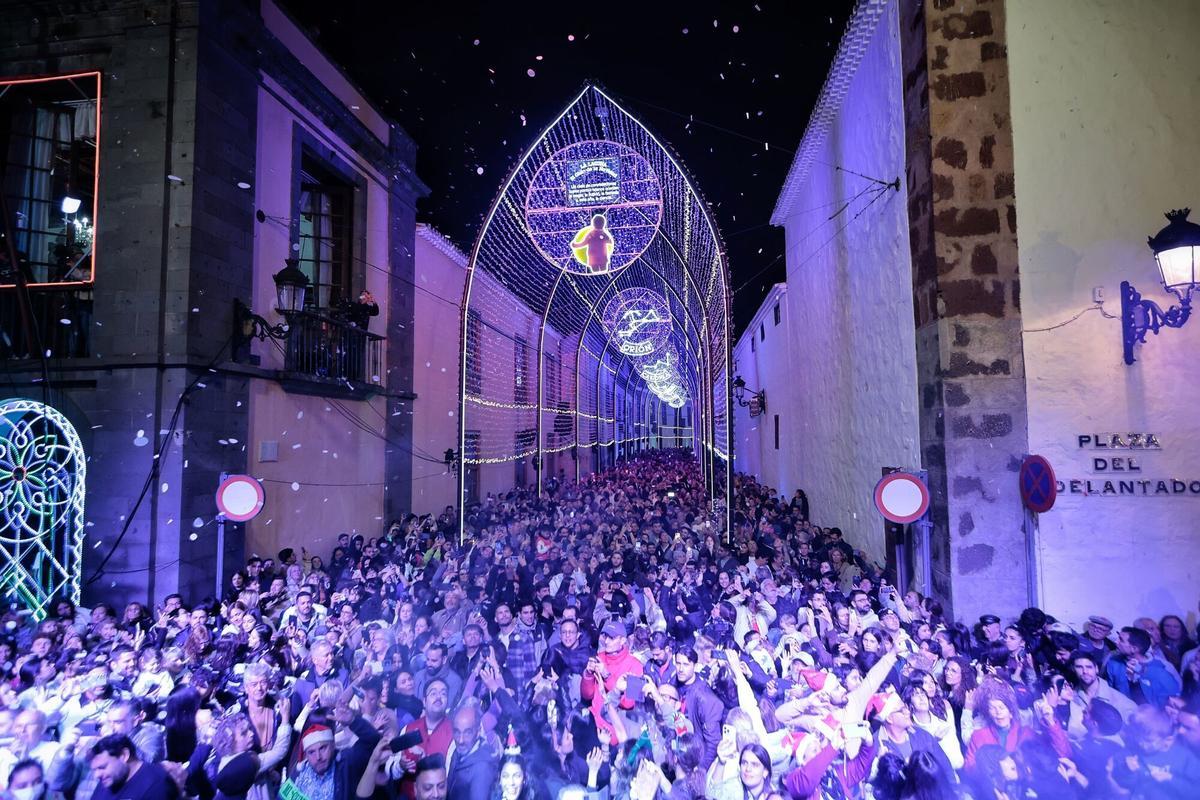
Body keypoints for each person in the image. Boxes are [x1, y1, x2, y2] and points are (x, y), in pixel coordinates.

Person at [87, 734, 178, 800]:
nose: (97, 775)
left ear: (124, 755)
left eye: (102, 767)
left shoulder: (156, 786)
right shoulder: (109, 779)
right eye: (94, 769)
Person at [446, 703, 497, 800]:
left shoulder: (482, 768)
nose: (460, 740)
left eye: (468, 733)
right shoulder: (457, 753)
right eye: (457, 732)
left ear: (478, 732)